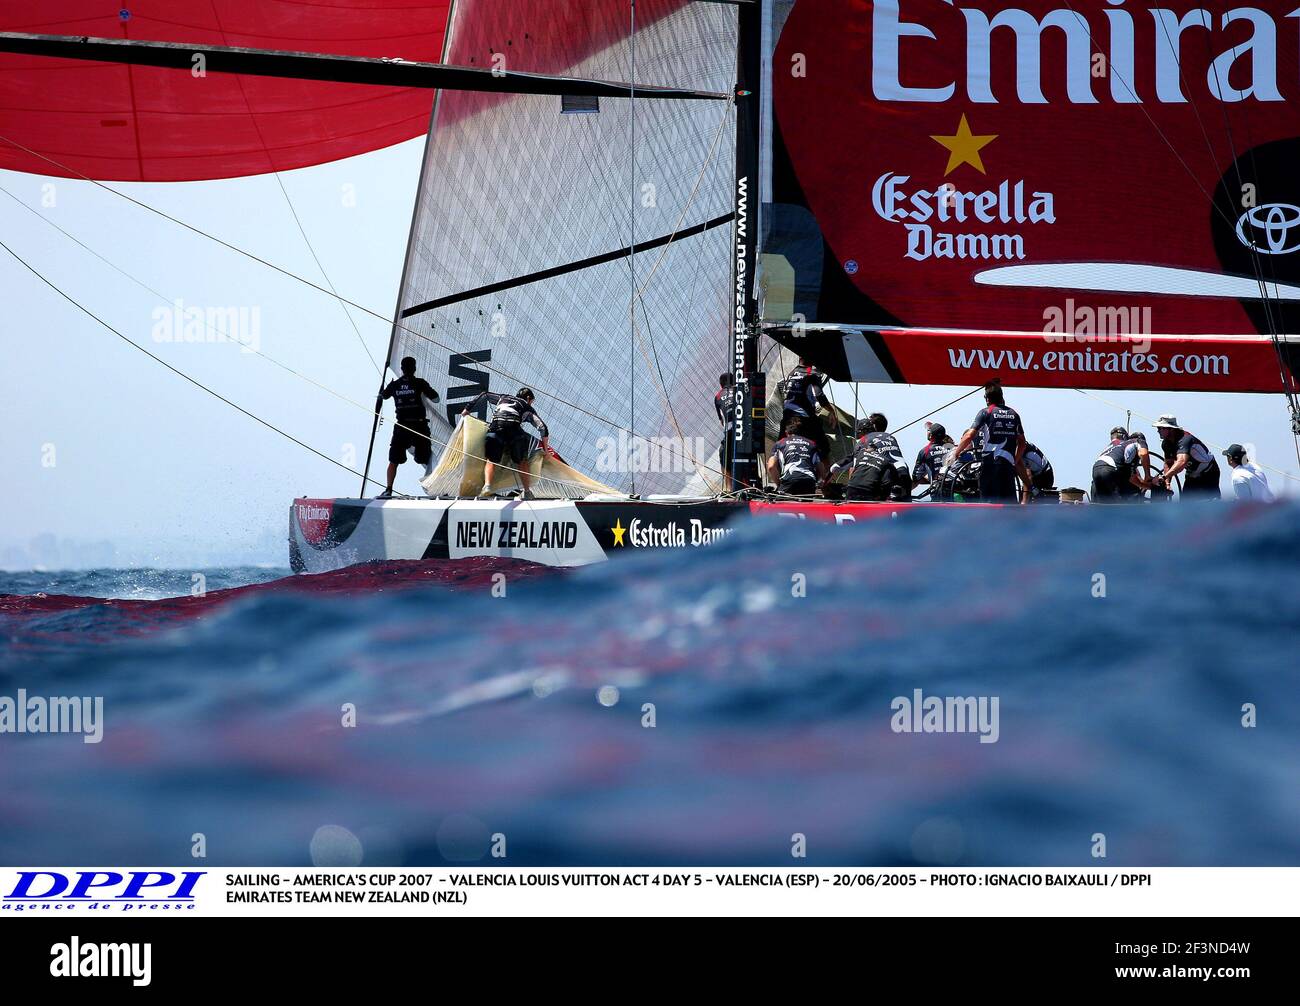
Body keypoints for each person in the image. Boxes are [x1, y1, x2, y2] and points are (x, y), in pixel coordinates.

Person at [460, 387, 550, 499]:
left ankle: (487, 486)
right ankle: (527, 491)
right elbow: (542, 427)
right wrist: (546, 450)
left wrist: (466, 411)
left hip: (496, 429)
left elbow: (484, 394)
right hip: (515, 432)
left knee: (491, 460)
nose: (531, 404)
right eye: (532, 402)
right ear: (528, 398)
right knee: (522, 462)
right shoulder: (526, 406)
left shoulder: (503, 397)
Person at [953, 382, 1029, 503]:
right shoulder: (1014, 414)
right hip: (1007, 468)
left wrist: (956, 453)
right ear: (1002, 397)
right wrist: (1014, 461)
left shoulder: (986, 412)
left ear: (987, 399)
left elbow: (969, 435)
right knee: (1009, 507)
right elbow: (1022, 443)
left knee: (988, 506)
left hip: (990, 465)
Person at [377, 356, 440, 498]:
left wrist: (384, 391)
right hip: (419, 426)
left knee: (394, 460)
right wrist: (425, 391)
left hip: (401, 427)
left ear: (401, 369)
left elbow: (383, 396)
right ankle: (436, 486)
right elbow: (436, 399)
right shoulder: (419, 383)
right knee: (424, 458)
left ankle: (388, 489)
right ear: (415, 368)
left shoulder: (394, 385)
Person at [827, 416, 910, 501]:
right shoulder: (890, 437)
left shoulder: (863, 440)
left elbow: (854, 467)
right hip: (904, 474)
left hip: (880, 483)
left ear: (862, 431)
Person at [1154, 414, 1220, 499]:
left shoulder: (1185, 439)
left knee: (1211, 503)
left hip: (1209, 472)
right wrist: (1167, 483)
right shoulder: (1166, 444)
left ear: (1170, 429)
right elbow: (1168, 463)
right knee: (1185, 503)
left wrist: (1163, 477)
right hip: (1192, 474)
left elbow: (1181, 462)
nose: (1158, 431)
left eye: (1160, 428)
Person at [779, 358, 830, 458]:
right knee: (824, 450)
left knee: (779, 449)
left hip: (787, 420)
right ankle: (822, 472)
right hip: (804, 419)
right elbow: (820, 396)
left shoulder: (791, 373)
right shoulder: (811, 373)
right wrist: (832, 412)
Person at [767, 416, 826, 497]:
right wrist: (820, 483)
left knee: (783, 508)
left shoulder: (779, 444)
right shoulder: (812, 444)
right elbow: (821, 468)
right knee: (806, 508)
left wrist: (779, 484)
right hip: (809, 482)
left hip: (788, 481)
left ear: (786, 432)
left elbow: (771, 467)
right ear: (802, 433)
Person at [1090, 427, 1153, 503]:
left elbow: (1132, 478)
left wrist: (1148, 487)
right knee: (1126, 498)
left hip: (1096, 469)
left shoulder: (1112, 448)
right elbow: (1144, 453)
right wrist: (1147, 476)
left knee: (1104, 504)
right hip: (1112, 469)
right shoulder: (1139, 441)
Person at [715, 373, 738, 492]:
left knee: (723, 454)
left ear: (721, 385)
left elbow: (722, 421)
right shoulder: (740, 390)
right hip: (746, 429)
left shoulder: (718, 396)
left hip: (730, 431)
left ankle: (729, 489)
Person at [912, 423, 952, 488]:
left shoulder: (925, 451)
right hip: (956, 490)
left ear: (931, 435)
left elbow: (916, 477)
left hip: (938, 492)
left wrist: (931, 479)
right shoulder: (953, 448)